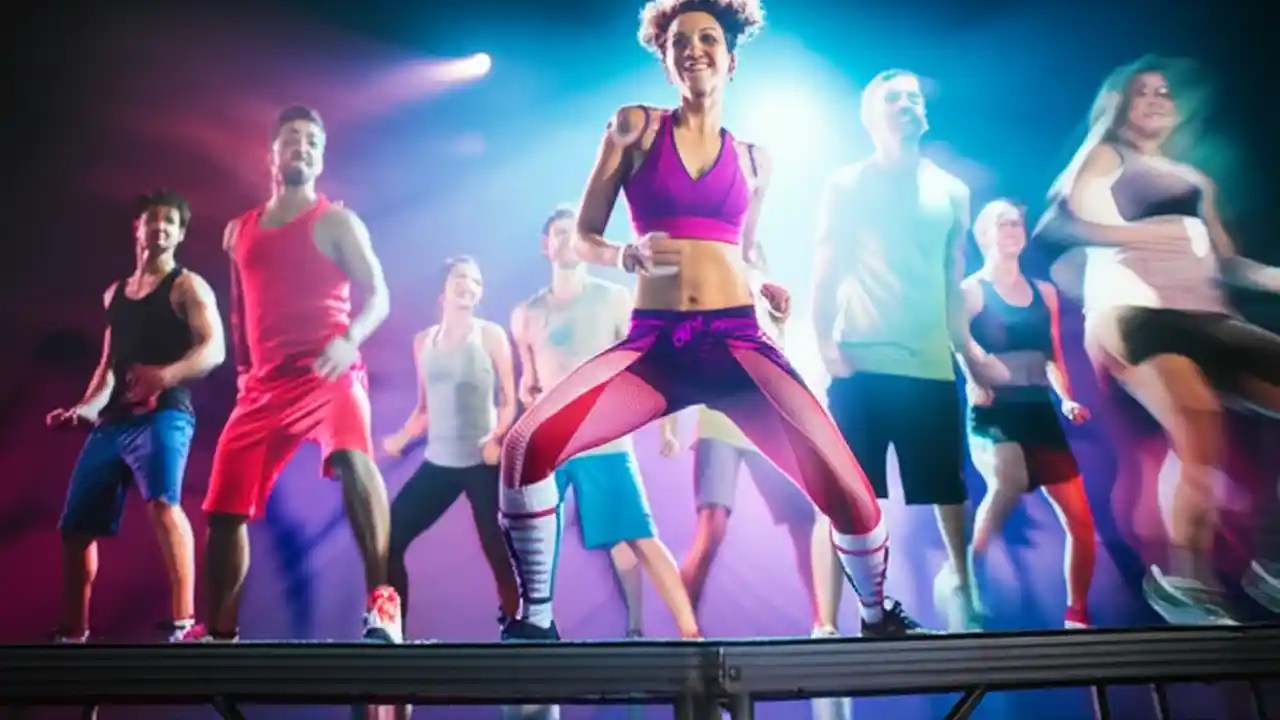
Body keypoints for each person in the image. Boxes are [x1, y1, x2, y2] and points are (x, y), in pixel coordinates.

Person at [498, 0, 925, 642]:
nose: (693, 48)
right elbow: (585, 234)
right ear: (666, 61)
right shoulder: (633, 127)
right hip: (655, 351)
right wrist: (623, 253)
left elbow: (746, 251)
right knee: (525, 449)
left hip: (737, 346)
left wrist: (764, 282)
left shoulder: (756, 160)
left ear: (732, 59)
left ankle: (874, 616)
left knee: (853, 496)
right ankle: (535, 620)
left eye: (707, 39)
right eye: (678, 42)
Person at [1035, 55, 1280, 625]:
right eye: (1140, 93)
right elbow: (1058, 225)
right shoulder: (1105, 156)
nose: (1154, 99)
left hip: (1208, 318)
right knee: (1197, 423)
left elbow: (1229, 264)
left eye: (1163, 92)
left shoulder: (1197, 180)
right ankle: (1184, 580)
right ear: (1119, 106)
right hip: (1137, 314)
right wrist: (1138, 235)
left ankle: (1269, 562)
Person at [196, 105, 401, 642]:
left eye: (312, 140)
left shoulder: (336, 221)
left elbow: (379, 294)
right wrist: (244, 372)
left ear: (321, 156)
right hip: (263, 387)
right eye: (292, 138)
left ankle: (382, 603)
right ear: (273, 153)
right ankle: (219, 634)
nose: (302, 147)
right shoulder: (238, 231)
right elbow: (239, 309)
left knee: (355, 458)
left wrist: (349, 339)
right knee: (223, 506)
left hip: (327, 372)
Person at [810, 68, 983, 631]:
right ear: (871, 115)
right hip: (860, 364)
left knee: (948, 490)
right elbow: (827, 267)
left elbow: (952, 282)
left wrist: (968, 353)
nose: (908, 103)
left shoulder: (952, 191)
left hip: (931, 367)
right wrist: (823, 343)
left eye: (914, 97)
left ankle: (962, 588)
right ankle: (827, 623)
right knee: (846, 498)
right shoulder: (847, 184)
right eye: (894, 97)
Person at [47, 189, 225, 642]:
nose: (160, 227)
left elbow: (214, 349)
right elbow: (109, 365)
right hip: (114, 423)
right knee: (74, 528)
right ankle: (73, 632)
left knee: (164, 503)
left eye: (170, 222)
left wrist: (164, 376)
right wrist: (84, 410)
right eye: (153, 220)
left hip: (165, 415)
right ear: (138, 228)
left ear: (180, 234)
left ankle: (185, 624)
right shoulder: (115, 295)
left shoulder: (188, 286)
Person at [510, 205, 696, 639]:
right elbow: (529, 383)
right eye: (557, 233)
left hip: (604, 442)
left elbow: (650, 363)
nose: (565, 240)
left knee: (638, 537)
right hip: (552, 447)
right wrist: (529, 399)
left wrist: (666, 426)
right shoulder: (527, 314)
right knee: (534, 540)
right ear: (546, 245)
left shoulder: (613, 298)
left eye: (573, 233)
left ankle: (693, 636)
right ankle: (537, 627)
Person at [657, 260, 821, 629]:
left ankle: (822, 623)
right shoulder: (705, 301)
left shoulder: (770, 307)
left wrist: (778, 323)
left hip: (765, 427)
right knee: (711, 527)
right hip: (719, 423)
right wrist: (667, 428)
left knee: (803, 520)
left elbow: (782, 369)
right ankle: (688, 634)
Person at [961, 199, 1096, 629]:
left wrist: (1067, 399)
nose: (1012, 230)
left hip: (1039, 410)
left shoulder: (1046, 293)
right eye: (1003, 224)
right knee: (1010, 479)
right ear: (984, 234)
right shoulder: (971, 290)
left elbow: (1052, 355)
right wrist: (976, 375)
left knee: (1081, 521)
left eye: (1017, 223)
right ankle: (971, 580)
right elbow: (960, 342)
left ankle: (1077, 615)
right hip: (995, 411)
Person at [382, 256, 521, 634]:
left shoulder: (490, 335)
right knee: (388, 540)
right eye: (461, 278)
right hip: (439, 464)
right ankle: (393, 634)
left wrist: (497, 439)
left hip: (482, 461)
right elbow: (425, 408)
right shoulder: (422, 342)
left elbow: (510, 399)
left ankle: (518, 627)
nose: (469, 286)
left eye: (476, 282)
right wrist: (400, 438)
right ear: (443, 289)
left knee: (497, 548)